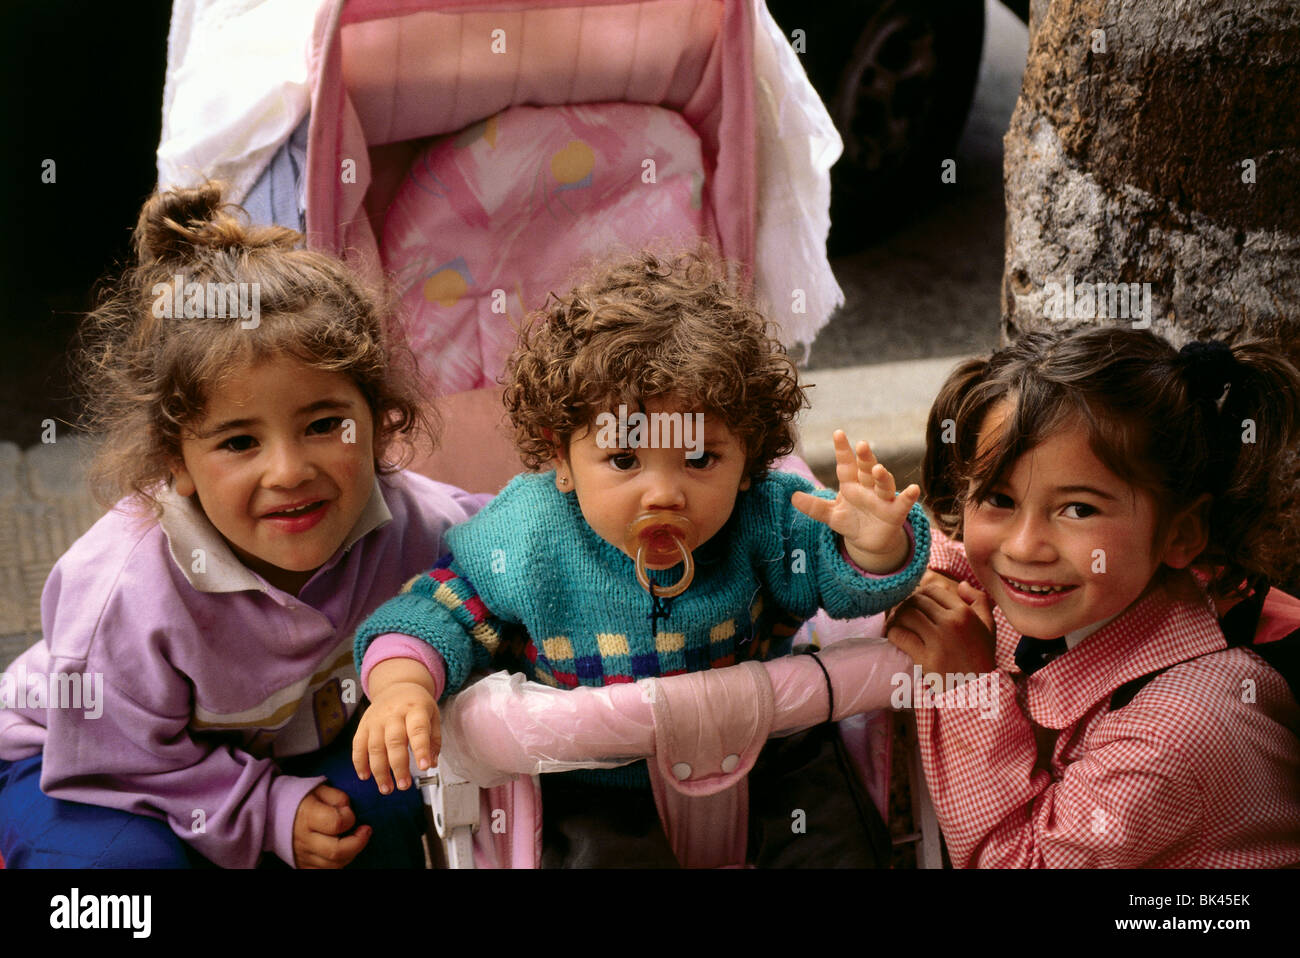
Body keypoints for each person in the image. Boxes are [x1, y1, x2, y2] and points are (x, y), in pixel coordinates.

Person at [351, 247, 931, 866]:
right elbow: (439, 609)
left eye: (700, 459)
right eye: (625, 460)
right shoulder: (528, 533)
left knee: (836, 834)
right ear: (561, 460)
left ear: (748, 459)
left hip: (767, 750)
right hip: (594, 776)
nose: (664, 493)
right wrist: (401, 686)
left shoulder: (767, 512)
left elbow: (843, 578)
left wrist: (875, 543)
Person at [0, 183, 487, 868]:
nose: (288, 471)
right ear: (177, 462)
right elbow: (117, 758)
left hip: (284, 746)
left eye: (324, 425)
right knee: (119, 876)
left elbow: (505, 547)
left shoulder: (411, 519)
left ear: (377, 423)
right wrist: (264, 813)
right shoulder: (121, 594)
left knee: (386, 798)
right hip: (92, 768)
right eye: (238, 442)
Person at [886, 325, 1300, 867]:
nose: (1024, 547)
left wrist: (966, 689)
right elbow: (954, 551)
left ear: (1181, 533)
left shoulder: (1181, 729)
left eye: (1078, 509)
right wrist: (892, 554)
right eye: (999, 498)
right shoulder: (1098, 589)